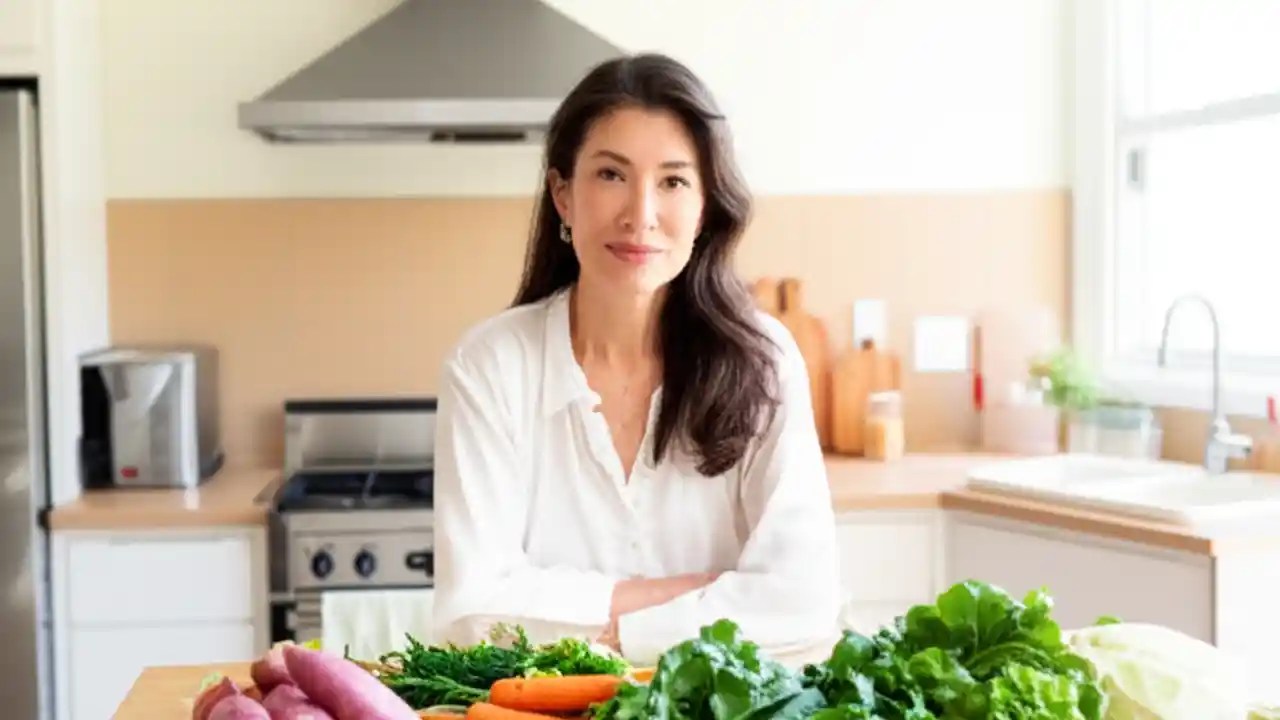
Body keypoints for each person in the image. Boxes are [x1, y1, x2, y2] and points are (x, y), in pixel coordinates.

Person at [431, 52, 840, 665]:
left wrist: (615, 628)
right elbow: (470, 613)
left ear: (705, 206)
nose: (640, 215)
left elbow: (804, 600)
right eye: (611, 175)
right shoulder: (489, 366)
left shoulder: (764, 359)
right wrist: (695, 597)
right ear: (563, 195)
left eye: (673, 181)